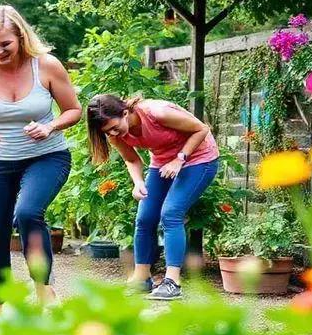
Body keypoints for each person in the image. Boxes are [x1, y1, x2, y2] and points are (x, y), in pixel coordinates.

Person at [0, 5, 82, 308]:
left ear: (21, 38)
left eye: (5, 44)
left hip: (46, 157)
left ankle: (44, 290)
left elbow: (74, 110)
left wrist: (50, 125)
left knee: (28, 213)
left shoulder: (47, 66)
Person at [86, 94, 219, 301]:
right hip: (162, 163)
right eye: (107, 131)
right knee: (144, 218)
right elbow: (131, 159)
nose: (113, 133)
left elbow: (201, 128)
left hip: (199, 159)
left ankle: (172, 282)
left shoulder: (157, 113)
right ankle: (142, 278)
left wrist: (179, 159)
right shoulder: (114, 134)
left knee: (171, 213)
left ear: (125, 112)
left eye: (114, 127)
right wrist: (138, 182)